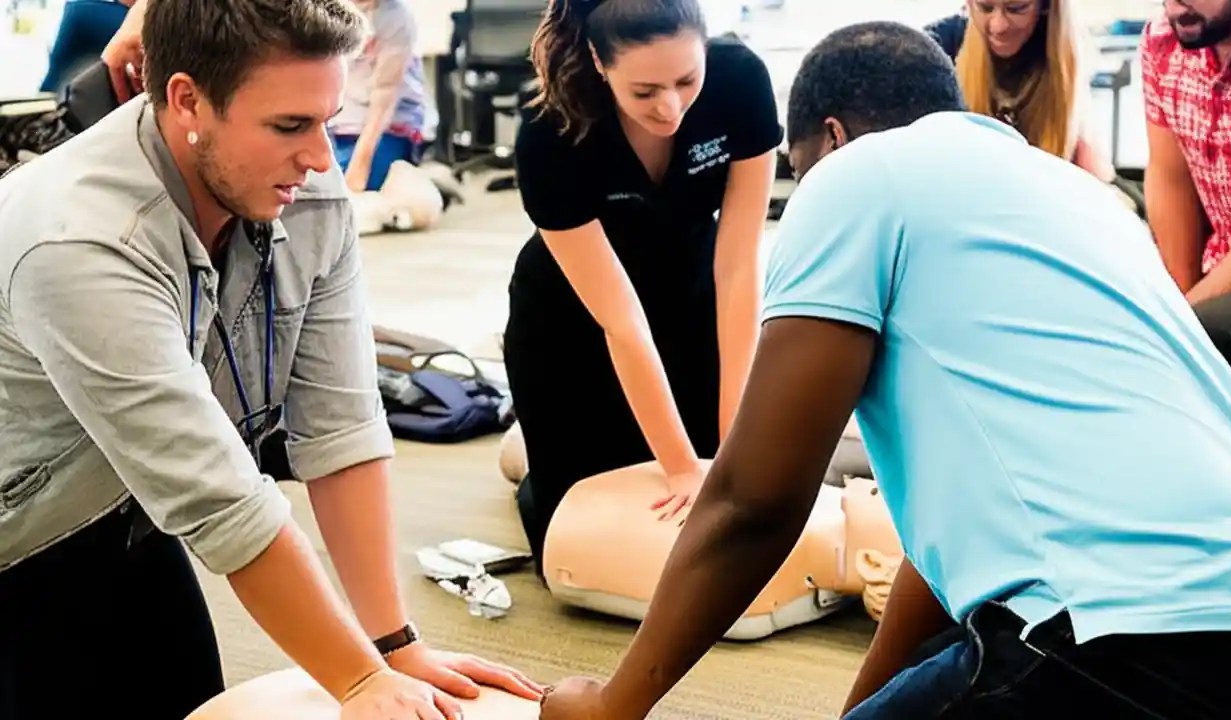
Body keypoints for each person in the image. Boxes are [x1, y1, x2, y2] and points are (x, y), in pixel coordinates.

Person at [538, 21, 1231, 720]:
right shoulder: (1091, 201)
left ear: (830, 138)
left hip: (1119, 638)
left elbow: (754, 501)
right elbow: (938, 564)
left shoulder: (857, 175)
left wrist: (613, 705)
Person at [0, 0, 541, 718]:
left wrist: (393, 646)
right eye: (289, 126)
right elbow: (221, 500)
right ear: (188, 98)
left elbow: (340, 424)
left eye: (328, 119)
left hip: (128, 508)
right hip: (20, 534)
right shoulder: (81, 241)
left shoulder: (308, 194)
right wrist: (356, 683)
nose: (323, 159)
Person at [502, 0, 781, 570]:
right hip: (572, 319)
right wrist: (680, 465)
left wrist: (731, 446)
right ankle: (531, 453)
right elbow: (620, 320)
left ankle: (523, 444)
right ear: (601, 65)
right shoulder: (549, 132)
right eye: (646, 90)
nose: (671, 106)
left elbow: (738, 269)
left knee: (719, 505)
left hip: (692, 297)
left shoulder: (741, 83)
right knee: (577, 534)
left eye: (686, 79)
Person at [1141, 0, 1231, 434]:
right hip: (1226, 279)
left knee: (1211, 332)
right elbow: (1169, 177)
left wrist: (1185, 316)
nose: (1175, 5)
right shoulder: (1162, 40)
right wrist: (1178, 300)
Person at [925, 0, 1115, 182]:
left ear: (1046, 5)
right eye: (985, 7)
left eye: (1016, 8)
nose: (998, 26)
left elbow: (1094, 176)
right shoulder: (935, 50)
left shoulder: (1066, 63)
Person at [327, 0, 435, 193]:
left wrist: (360, 167)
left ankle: (422, 183)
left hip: (384, 126)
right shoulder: (321, 9)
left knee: (346, 186)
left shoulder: (395, 18)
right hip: (336, 120)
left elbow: (385, 93)